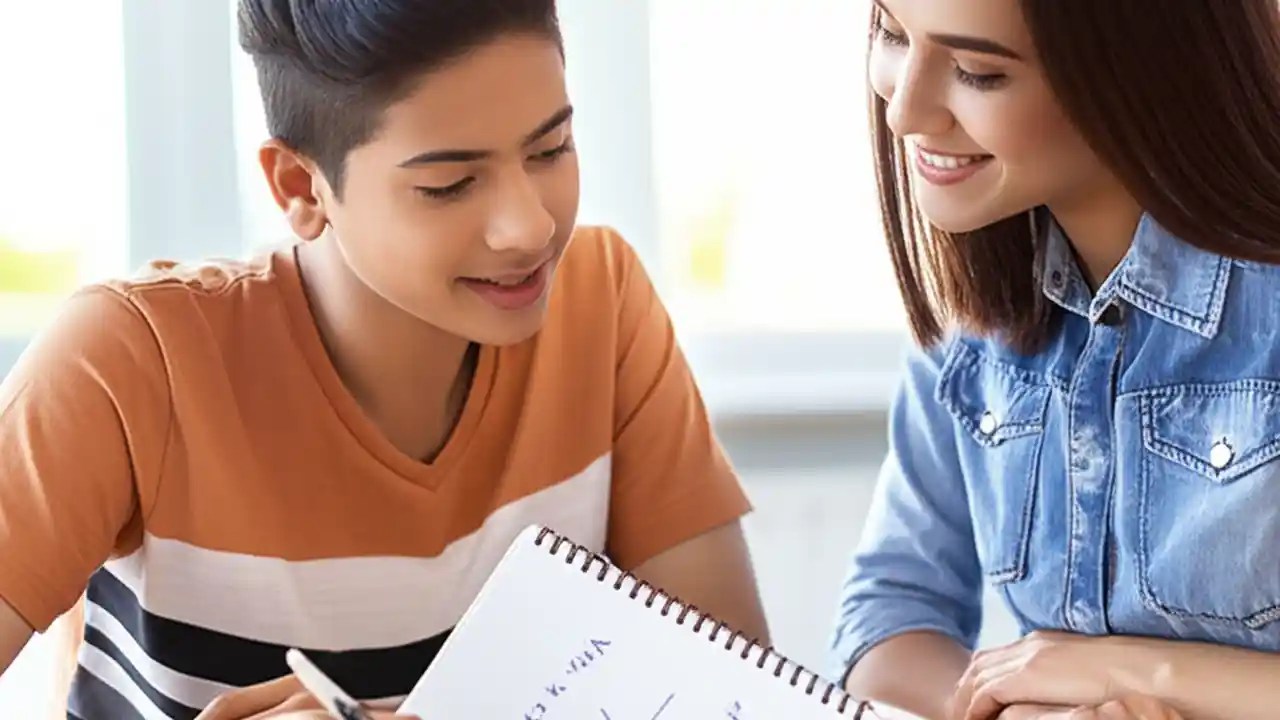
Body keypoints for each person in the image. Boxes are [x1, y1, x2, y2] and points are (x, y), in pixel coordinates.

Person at [0, 1, 769, 718]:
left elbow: (734, 696)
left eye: (551, 148)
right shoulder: (129, 362)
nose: (529, 228)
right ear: (301, 186)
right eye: (449, 184)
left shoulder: (600, 304)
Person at [831, 0, 1280, 719]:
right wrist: (1021, 709)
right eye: (890, 33)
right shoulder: (976, 309)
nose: (904, 111)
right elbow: (887, 618)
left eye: (978, 72)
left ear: (1141, 75)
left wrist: (1137, 673)